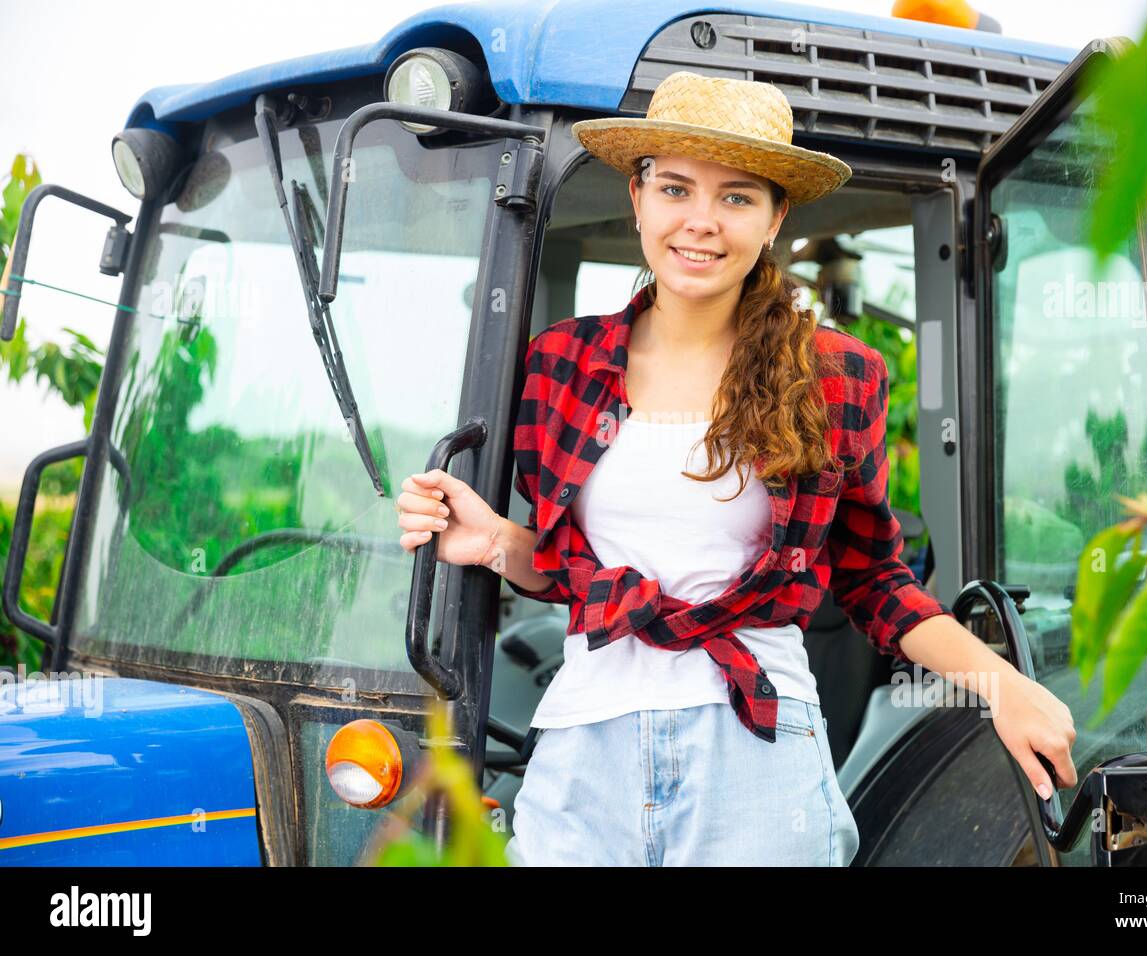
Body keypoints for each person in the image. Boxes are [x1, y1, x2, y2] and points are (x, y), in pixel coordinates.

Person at [395, 71, 1077, 866]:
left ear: (776, 215)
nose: (701, 223)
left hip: (757, 745)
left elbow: (872, 581)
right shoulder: (561, 363)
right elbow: (568, 573)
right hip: (585, 751)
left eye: (737, 198)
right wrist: (496, 543)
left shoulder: (834, 375)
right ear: (639, 195)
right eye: (677, 188)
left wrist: (1005, 685)